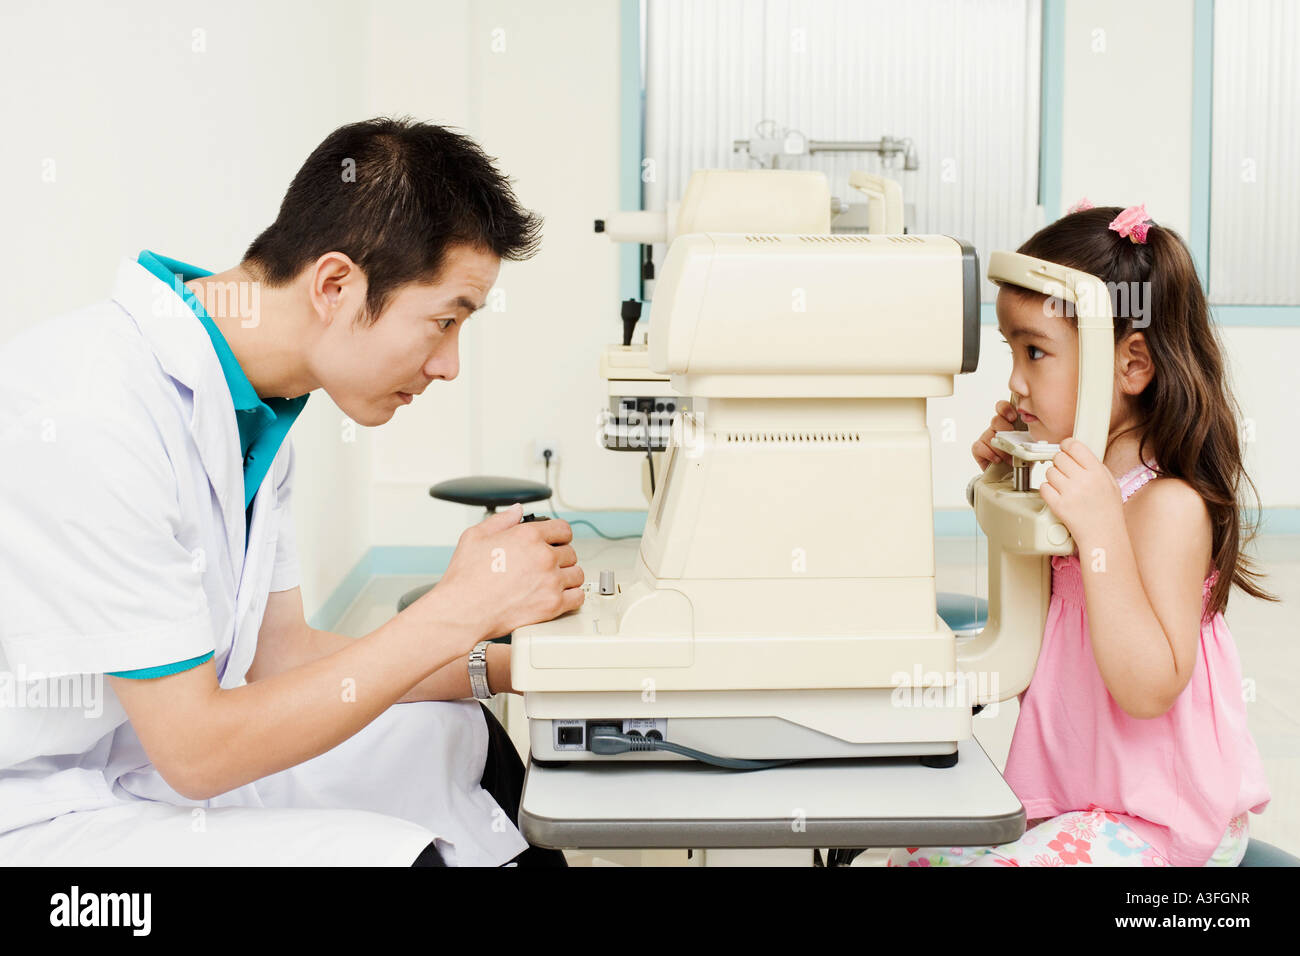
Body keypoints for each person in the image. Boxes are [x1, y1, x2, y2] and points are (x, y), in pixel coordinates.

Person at [0, 117, 580, 867]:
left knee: (460, 739)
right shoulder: (89, 411)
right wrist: (455, 612)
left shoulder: (255, 410)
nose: (448, 366)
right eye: (442, 322)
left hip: (139, 767)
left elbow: (283, 656)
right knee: (411, 858)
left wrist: (511, 669)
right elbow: (198, 752)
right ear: (336, 284)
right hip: (43, 811)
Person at [890, 202, 1275, 867]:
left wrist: (1100, 529)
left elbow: (1148, 689)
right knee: (911, 858)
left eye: (1036, 352)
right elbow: (1027, 642)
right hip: (1075, 799)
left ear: (1130, 366)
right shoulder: (1073, 481)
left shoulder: (1166, 506)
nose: (1014, 380)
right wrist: (1014, 488)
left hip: (1160, 820)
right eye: (1014, 349)